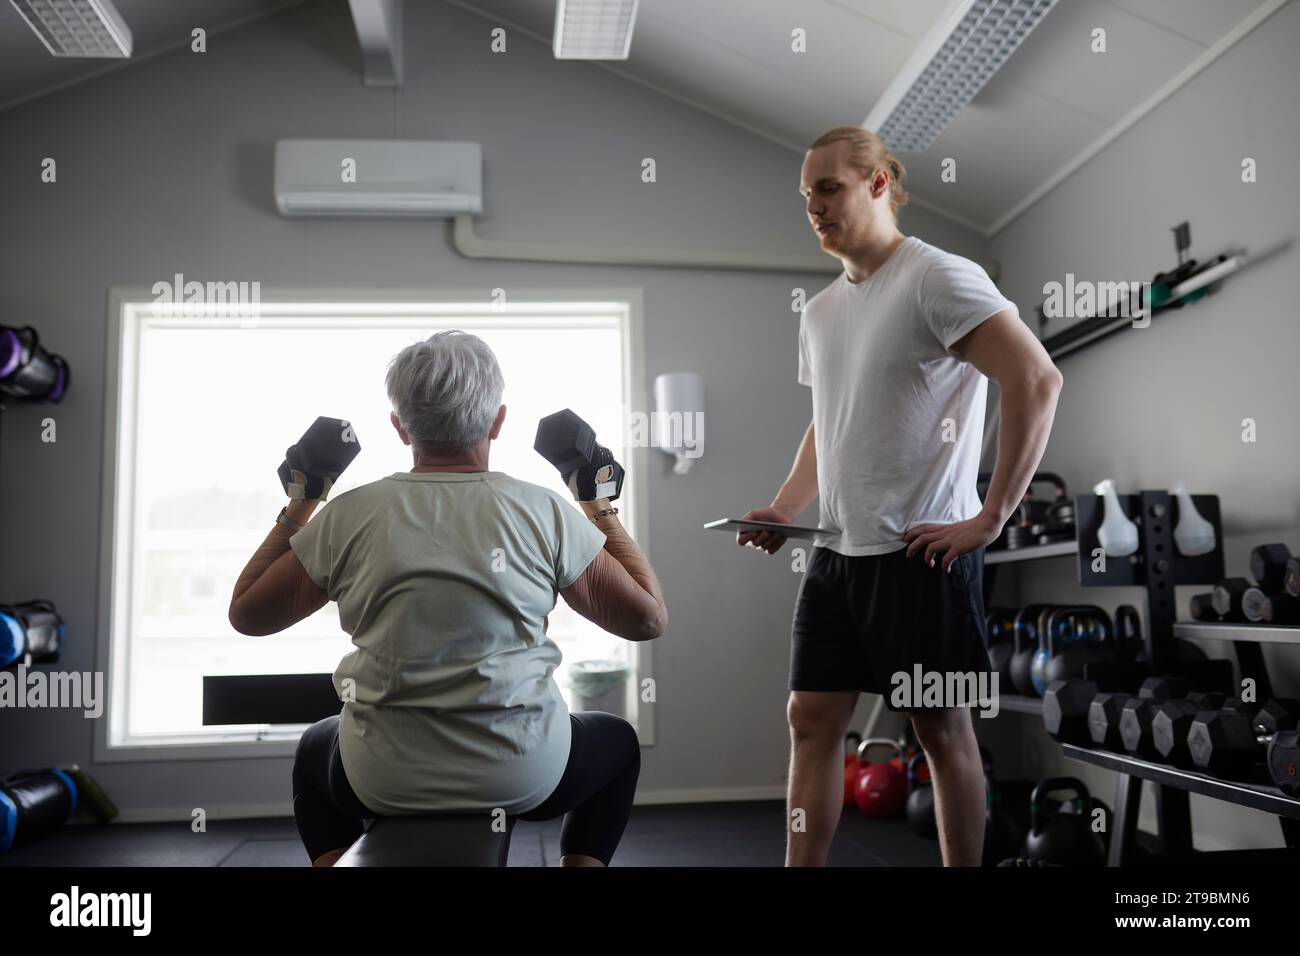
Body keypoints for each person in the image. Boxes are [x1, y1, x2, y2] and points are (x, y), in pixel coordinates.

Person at [739, 126, 1063, 867]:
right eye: (805, 195)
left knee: (941, 733)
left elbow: (1036, 380)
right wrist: (786, 509)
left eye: (829, 188)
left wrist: (991, 518)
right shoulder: (820, 311)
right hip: (836, 554)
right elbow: (832, 422)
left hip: (921, 557)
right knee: (810, 722)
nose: (814, 207)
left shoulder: (937, 277)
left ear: (878, 184)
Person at [228, 331, 667, 867]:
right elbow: (647, 619)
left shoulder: (348, 514)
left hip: (382, 779)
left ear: (399, 426)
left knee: (313, 749)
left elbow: (247, 615)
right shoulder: (543, 511)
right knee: (617, 742)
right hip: (525, 774)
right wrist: (597, 504)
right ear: (498, 421)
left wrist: (304, 502)